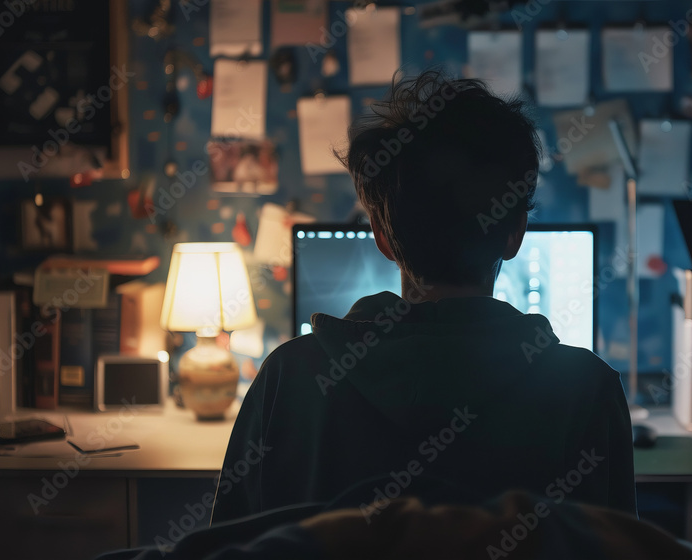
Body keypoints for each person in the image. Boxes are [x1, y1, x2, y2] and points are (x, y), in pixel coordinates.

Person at [209, 70, 636, 524]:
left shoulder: (287, 379)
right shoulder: (589, 391)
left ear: (381, 238)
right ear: (516, 234)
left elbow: (230, 545)